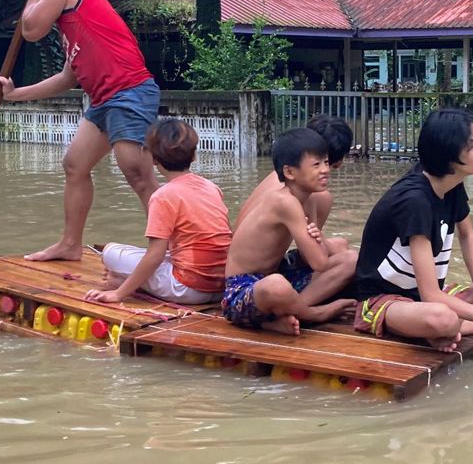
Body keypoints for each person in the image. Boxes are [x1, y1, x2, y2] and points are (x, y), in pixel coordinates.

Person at [0, 0, 160, 261]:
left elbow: (30, 29)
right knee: (74, 165)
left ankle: (179, 248)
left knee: (138, 174)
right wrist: (14, 94)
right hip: (103, 99)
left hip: (130, 91)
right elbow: (69, 78)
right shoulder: (73, 20)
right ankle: (70, 245)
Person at [350, 108, 473, 360]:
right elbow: (431, 296)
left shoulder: (451, 184)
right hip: (385, 301)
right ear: (448, 154)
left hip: (427, 297)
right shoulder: (415, 200)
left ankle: (446, 331)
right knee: (443, 319)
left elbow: (467, 236)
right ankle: (441, 329)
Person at [221, 128, 357, 335]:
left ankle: (284, 314)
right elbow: (319, 262)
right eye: (316, 165)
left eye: (326, 162)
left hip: (277, 273)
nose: (325, 170)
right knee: (276, 285)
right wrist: (318, 241)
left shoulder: (308, 197)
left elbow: (315, 260)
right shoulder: (284, 202)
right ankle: (313, 314)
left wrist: (319, 240)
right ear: (290, 172)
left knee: (351, 259)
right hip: (242, 290)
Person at [85, 119, 230, 305]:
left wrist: (118, 294)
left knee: (111, 253)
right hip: (221, 286)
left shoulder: (163, 196)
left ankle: (123, 283)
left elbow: (155, 256)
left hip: (188, 290)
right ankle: (129, 280)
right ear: (194, 156)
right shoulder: (211, 187)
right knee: (146, 255)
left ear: (153, 159)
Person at [236, 114, 354, 263]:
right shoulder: (315, 194)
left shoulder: (284, 175)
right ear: (337, 160)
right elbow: (310, 257)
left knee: (340, 244)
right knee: (348, 257)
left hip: (239, 264)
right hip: (261, 274)